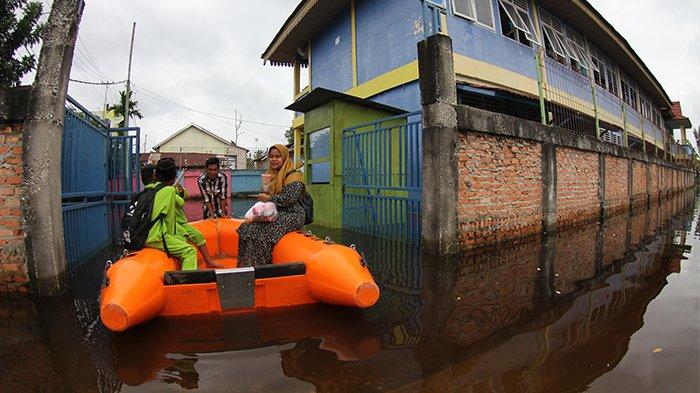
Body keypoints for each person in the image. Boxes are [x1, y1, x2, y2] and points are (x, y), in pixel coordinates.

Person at [236, 144, 306, 267]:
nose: (274, 159)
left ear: (284, 158)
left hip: (292, 214)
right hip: (274, 213)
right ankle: (244, 266)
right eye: (271, 157)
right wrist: (265, 191)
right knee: (246, 228)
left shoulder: (294, 175)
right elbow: (266, 199)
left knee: (261, 233)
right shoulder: (270, 175)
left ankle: (260, 268)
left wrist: (269, 197)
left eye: (278, 156)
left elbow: (289, 199)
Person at [145, 158, 219, 270]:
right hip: (166, 230)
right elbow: (180, 202)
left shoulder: (151, 191)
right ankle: (188, 283)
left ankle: (206, 262)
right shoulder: (168, 191)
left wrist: (179, 191)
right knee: (189, 250)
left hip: (173, 225)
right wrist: (174, 191)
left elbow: (184, 195)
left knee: (195, 237)